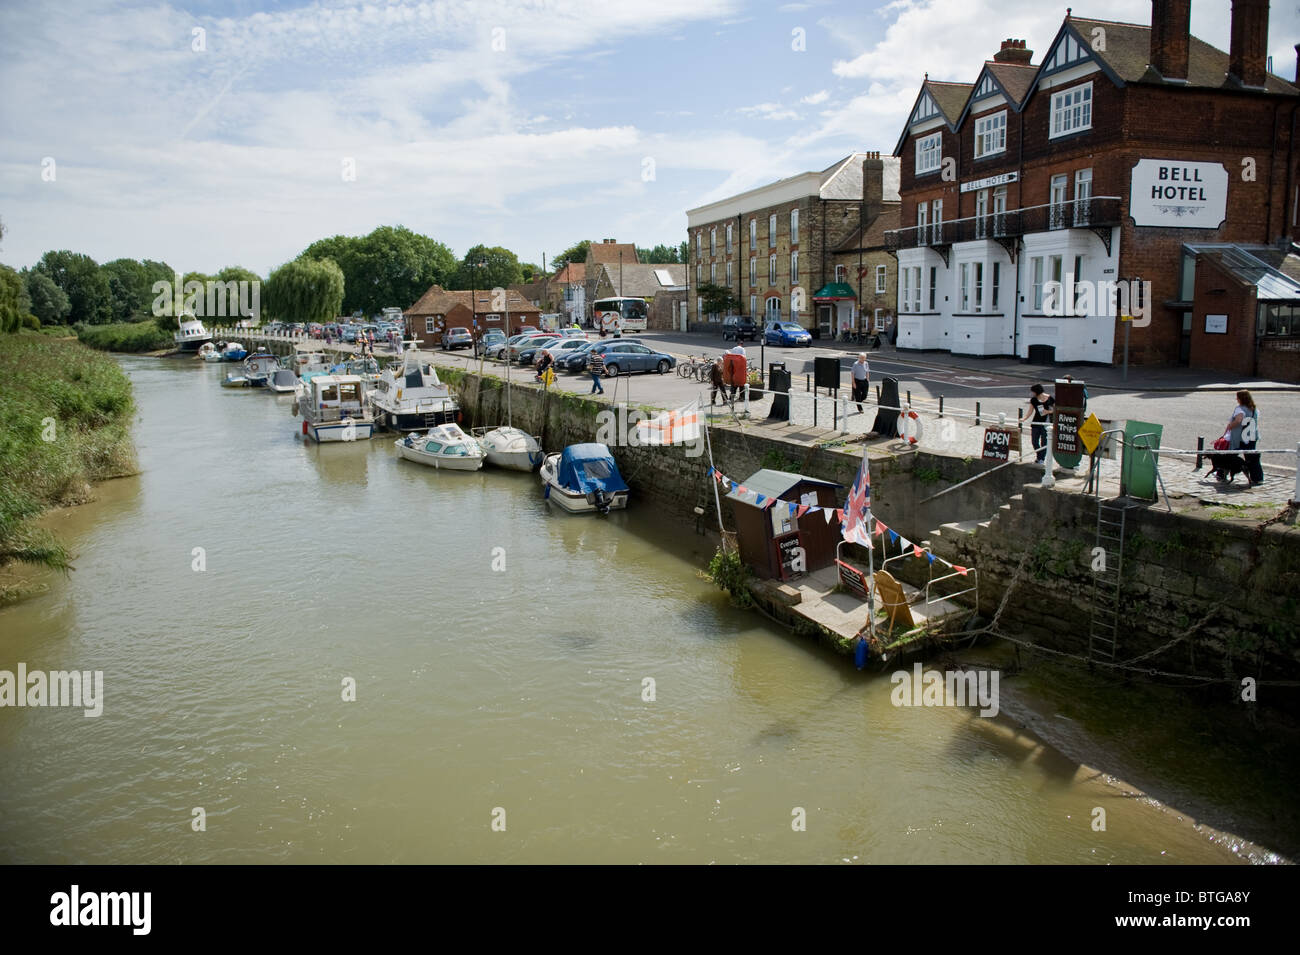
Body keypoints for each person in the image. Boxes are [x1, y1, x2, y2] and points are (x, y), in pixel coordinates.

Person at [1225, 390, 1263, 487]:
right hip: (1252, 436)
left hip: (1240, 437)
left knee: (1230, 456)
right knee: (1252, 458)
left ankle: (1222, 474)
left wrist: (1230, 426)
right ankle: (1257, 478)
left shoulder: (1240, 409)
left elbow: (1239, 420)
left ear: (1241, 399)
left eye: (1237, 397)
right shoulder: (1254, 409)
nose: (1236, 399)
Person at [1028, 383, 1055, 464]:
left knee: (1044, 442)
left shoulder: (1050, 398)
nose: (1032, 393)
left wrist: (1048, 411)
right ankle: (1039, 456)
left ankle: (1041, 459)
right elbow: (1030, 411)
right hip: (1036, 422)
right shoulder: (1033, 400)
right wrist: (1024, 418)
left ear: (1037, 391)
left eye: (1033, 392)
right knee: (1034, 441)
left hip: (1046, 424)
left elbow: (1056, 408)